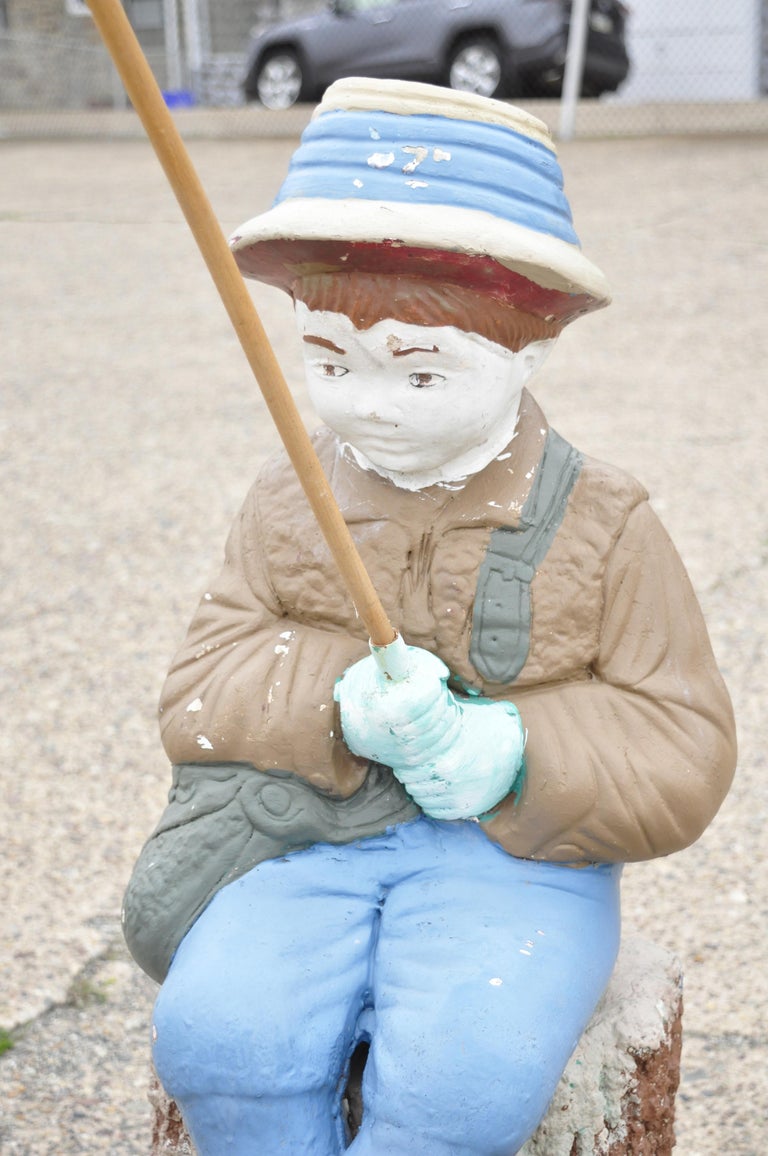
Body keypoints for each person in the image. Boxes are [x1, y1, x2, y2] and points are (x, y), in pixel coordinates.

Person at [124, 80, 736, 1156]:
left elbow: (685, 746)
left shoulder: (605, 524)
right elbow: (199, 686)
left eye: (420, 371)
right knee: (222, 1038)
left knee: (467, 1074)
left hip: (517, 861)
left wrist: (515, 750)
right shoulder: (288, 501)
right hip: (306, 836)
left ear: (527, 353)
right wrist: (331, 702)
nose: (364, 404)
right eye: (326, 362)